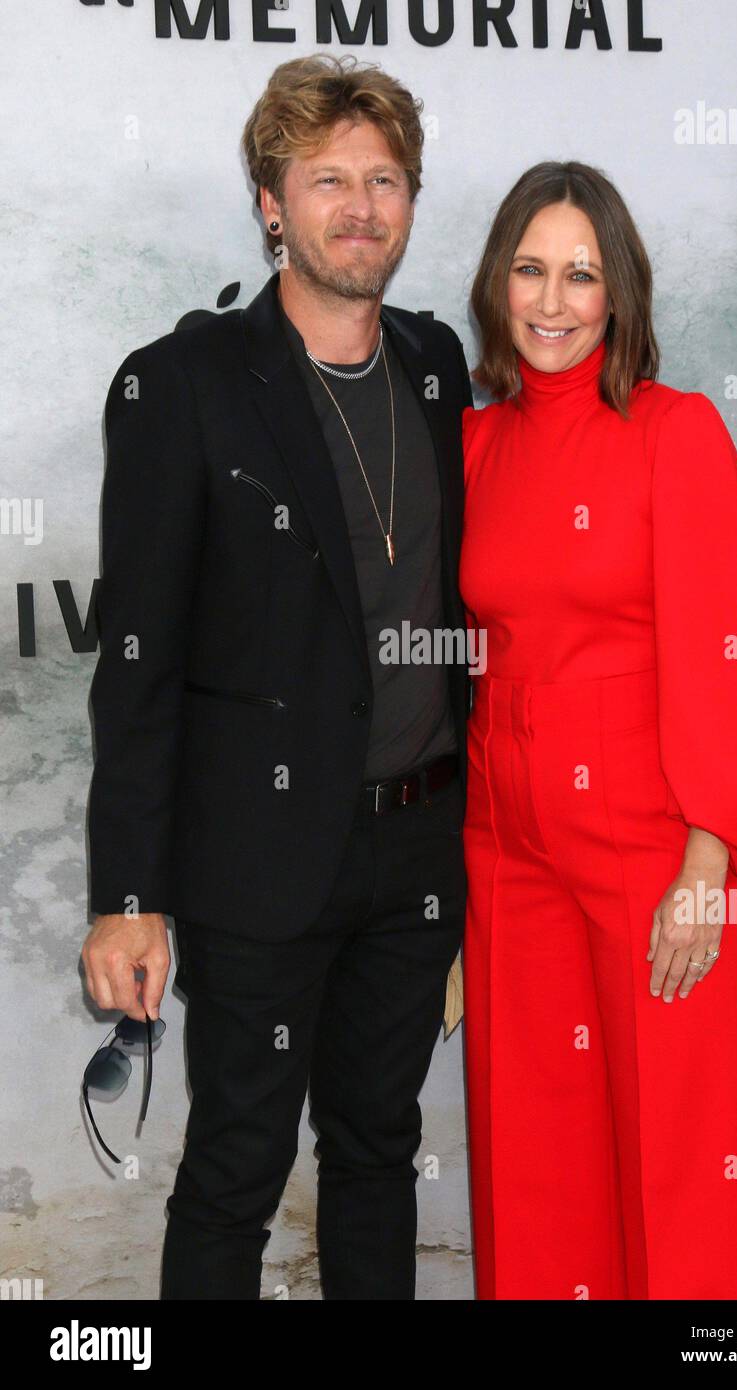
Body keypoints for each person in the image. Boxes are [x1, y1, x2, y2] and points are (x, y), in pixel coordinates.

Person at [82, 54, 473, 1300]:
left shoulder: (434, 363)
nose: (360, 208)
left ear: (410, 200)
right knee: (237, 1166)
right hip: (257, 859)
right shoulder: (183, 384)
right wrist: (128, 893)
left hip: (415, 849)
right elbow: (136, 664)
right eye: (326, 181)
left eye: (385, 180)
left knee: (378, 1151)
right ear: (269, 201)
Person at [459, 161, 737, 1300]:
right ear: (496, 282)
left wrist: (714, 855)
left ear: (618, 297)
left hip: (653, 852)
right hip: (509, 857)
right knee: (532, 1160)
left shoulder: (674, 432)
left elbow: (729, 646)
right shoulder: (473, 446)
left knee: (672, 1168)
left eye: (579, 274)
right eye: (529, 270)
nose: (551, 302)